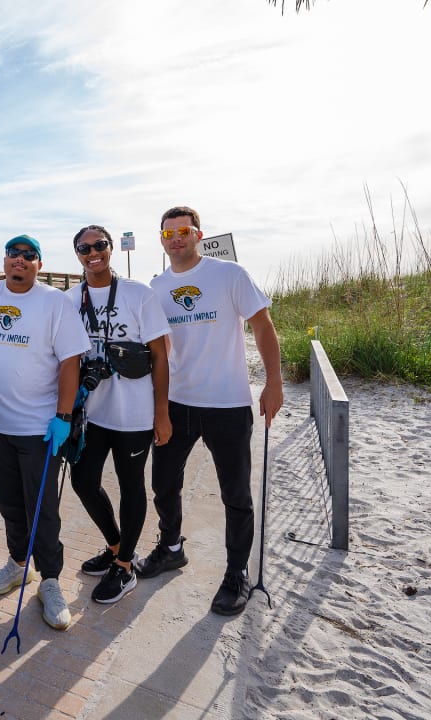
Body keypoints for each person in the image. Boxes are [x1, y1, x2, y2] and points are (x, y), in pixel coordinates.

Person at [142, 205, 284, 617]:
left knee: (236, 495)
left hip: (227, 402)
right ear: (162, 240)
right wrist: (156, 404)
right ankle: (171, 548)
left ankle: (236, 572)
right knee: (164, 483)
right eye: (168, 234)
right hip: (178, 403)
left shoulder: (229, 275)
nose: (176, 239)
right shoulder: (156, 286)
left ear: (199, 235)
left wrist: (273, 383)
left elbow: (262, 326)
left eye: (184, 231)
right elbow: (158, 349)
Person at [0, 234, 90, 630]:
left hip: (39, 428)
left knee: (42, 507)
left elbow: (71, 361)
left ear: (39, 264)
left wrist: (63, 416)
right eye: (13, 254)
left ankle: (49, 580)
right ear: (4, 261)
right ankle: (19, 564)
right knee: (9, 502)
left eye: (28, 256)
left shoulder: (54, 303)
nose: (20, 260)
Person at [66, 225, 171, 605]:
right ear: (76, 253)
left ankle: (126, 566)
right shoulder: (69, 298)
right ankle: (115, 546)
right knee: (83, 480)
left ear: (111, 249)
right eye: (84, 248)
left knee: (131, 486)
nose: (92, 253)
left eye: (100, 245)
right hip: (92, 413)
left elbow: (160, 355)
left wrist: (162, 413)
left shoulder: (138, 294)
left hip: (135, 413)